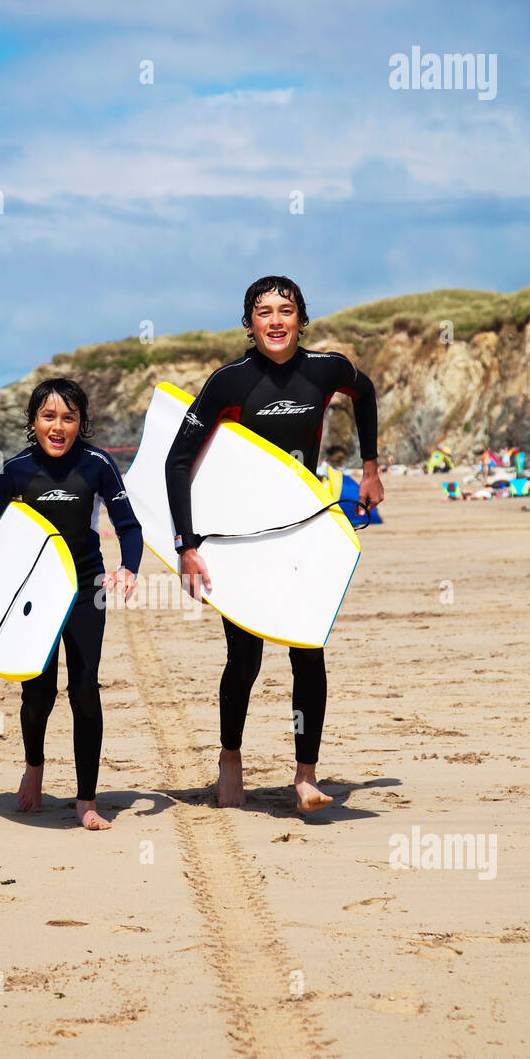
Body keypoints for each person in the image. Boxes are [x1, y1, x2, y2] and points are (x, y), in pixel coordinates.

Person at [165, 274, 384, 811]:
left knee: (308, 654)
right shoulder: (229, 382)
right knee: (244, 659)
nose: (276, 320)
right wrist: (186, 544)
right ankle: (230, 761)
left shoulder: (326, 370)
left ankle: (306, 776)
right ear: (249, 324)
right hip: (243, 540)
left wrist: (371, 467)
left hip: (303, 535)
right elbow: (177, 460)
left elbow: (367, 392)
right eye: (263, 312)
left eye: (286, 309)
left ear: (301, 319)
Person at [0, 378, 142, 831]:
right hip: (33, 594)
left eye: (69, 418)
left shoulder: (98, 465)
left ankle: (86, 800)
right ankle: (34, 765)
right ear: (33, 422)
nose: (58, 426)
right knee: (37, 694)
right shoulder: (16, 470)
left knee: (85, 689)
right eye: (48, 417)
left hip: (85, 588)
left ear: (81, 423)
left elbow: (128, 525)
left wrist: (128, 566)